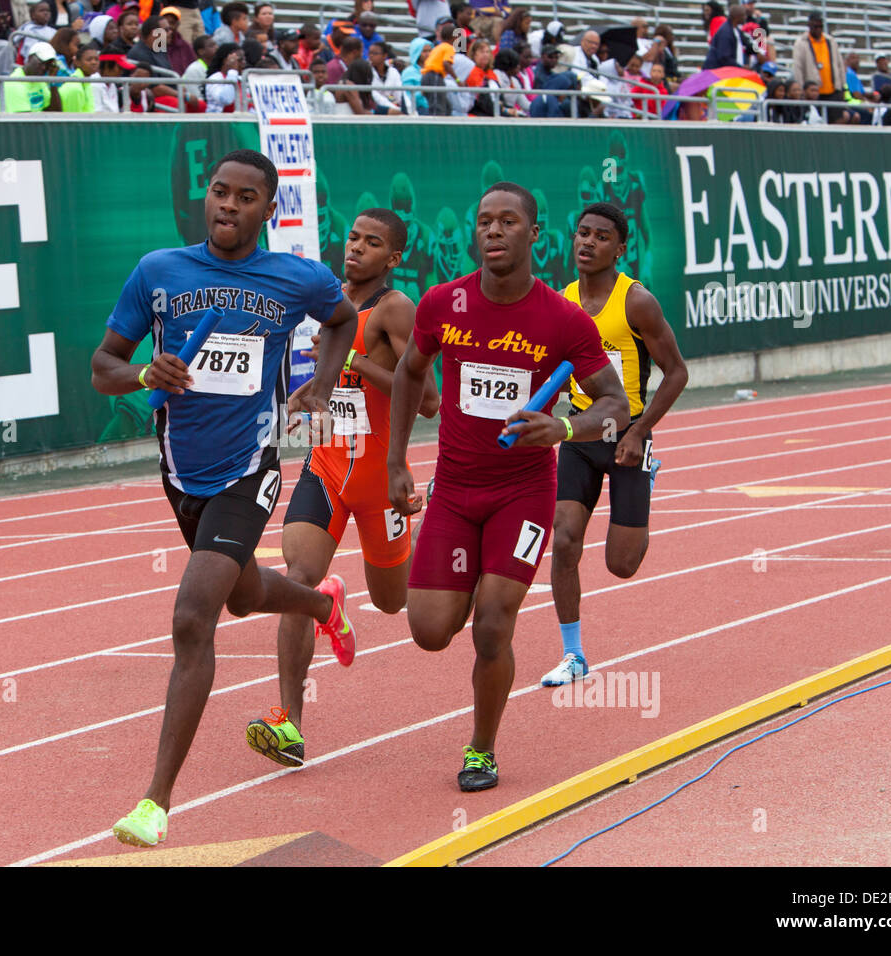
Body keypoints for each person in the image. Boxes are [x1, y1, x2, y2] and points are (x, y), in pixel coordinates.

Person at [93, 149, 359, 847]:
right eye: (219, 193)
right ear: (204, 198)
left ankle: (155, 803)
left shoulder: (295, 278)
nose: (228, 207)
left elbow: (343, 320)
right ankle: (322, 602)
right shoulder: (159, 272)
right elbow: (103, 368)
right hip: (182, 473)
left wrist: (323, 385)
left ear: (269, 211)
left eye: (246, 198)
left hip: (250, 469)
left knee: (193, 615)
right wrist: (146, 369)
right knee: (242, 595)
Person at [388, 182, 627, 792]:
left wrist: (563, 425)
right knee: (430, 631)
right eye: (484, 221)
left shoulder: (562, 318)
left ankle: (481, 749)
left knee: (492, 625)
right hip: (454, 491)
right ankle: (468, 577)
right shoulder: (443, 304)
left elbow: (615, 405)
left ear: (533, 234)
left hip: (522, 494)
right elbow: (410, 373)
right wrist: (396, 464)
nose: (493, 231)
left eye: (507, 222)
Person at [249, 209, 439, 768]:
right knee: (296, 577)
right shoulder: (326, 302)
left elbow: (428, 401)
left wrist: (355, 360)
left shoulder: (395, 309)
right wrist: (312, 395)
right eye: (353, 237)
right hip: (325, 469)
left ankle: (413, 551)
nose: (356, 248)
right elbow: (336, 391)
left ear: (394, 258)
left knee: (392, 601)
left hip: (380, 483)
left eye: (372, 242)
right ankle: (289, 722)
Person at [542, 202, 687, 687]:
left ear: (620, 249)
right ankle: (573, 653)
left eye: (601, 237)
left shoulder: (637, 302)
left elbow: (678, 372)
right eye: (582, 233)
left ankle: (648, 468)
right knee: (563, 539)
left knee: (621, 564)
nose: (588, 242)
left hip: (627, 436)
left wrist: (640, 433)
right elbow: (557, 374)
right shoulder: (561, 301)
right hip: (582, 433)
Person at [791, 11, 847, 123]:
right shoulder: (801, 43)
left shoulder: (830, 41)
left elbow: (839, 64)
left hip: (832, 90)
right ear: (809, 26)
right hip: (814, 92)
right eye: (815, 26)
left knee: (839, 119)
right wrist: (802, 89)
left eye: (820, 26)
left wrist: (841, 86)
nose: (818, 29)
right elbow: (798, 68)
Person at [0, 40, 63, 110]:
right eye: (41, 62)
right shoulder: (14, 83)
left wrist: (53, 82)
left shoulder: (40, 81)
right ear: (30, 58)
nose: (44, 67)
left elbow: (55, 111)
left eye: (48, 64)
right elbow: (25, 119)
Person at [179, 32, 213, 109]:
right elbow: (196, 97)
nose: (216, 47)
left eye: (216, 44)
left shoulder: (214, 67)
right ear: (201, 51)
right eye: (211, 46)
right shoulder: (194, 69)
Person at [203, 40, 240, 110]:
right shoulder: (215, 78)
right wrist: (232, 71)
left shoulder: (240, 78)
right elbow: (227, 99)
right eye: (239, 59)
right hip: (219, 119)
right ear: (226, 60)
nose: (244, 62)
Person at [367, 39, 402, 113]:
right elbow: (374, 95)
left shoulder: (393, 72)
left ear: (385, 56)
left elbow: (399, 94)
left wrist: (407, 110)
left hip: (393, 108)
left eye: (375, 53)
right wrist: (395, 109)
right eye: (370, 53)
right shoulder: (365, 71)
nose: (371, 56)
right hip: (374, 109)